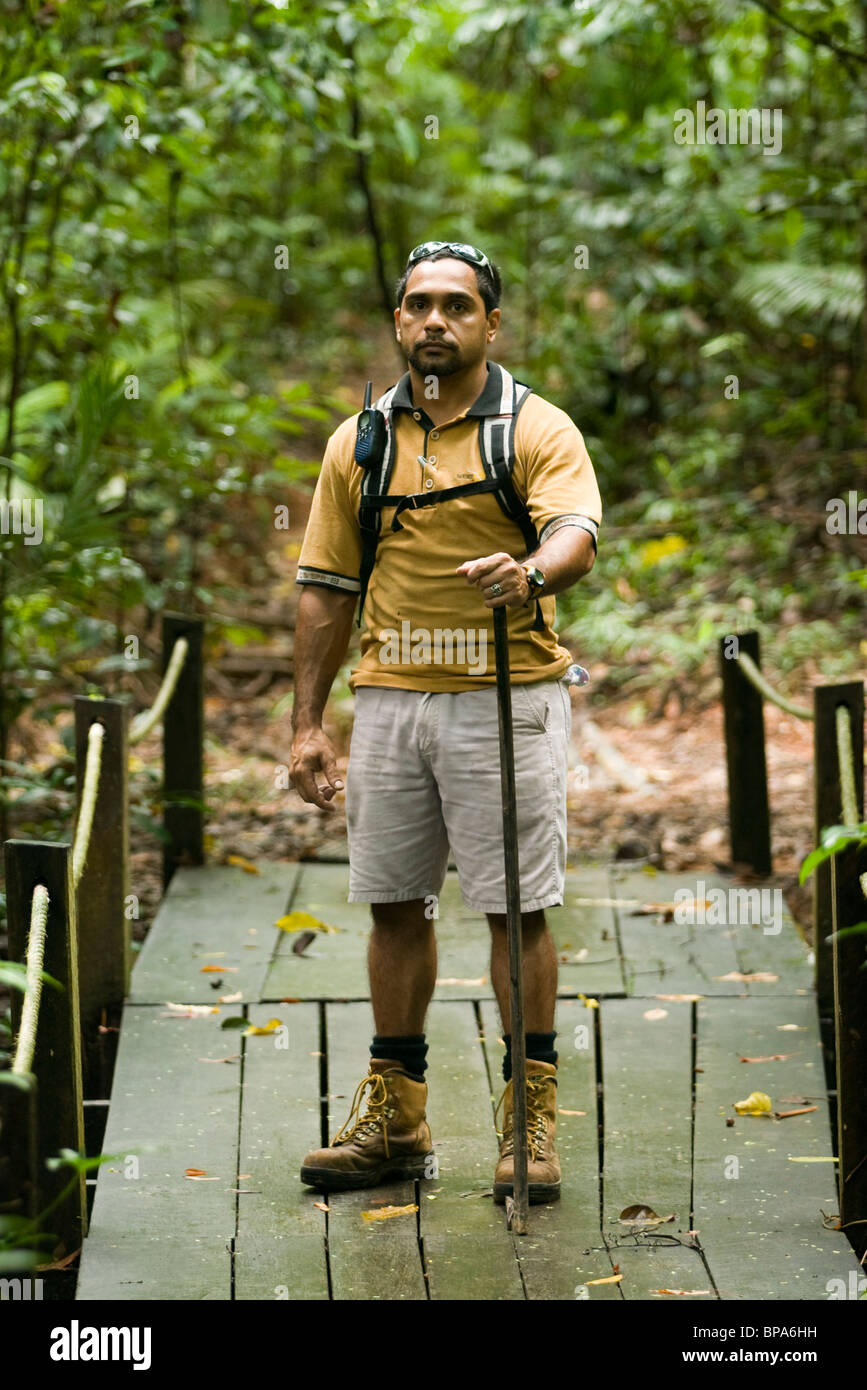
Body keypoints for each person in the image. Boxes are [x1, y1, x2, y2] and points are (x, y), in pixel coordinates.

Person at [290, 240, 602, 1203]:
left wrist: (531, 571)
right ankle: (397, 1118)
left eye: (456, 306)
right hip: (388, 698)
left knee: (514, 911)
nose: (435, 320)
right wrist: (307, 723)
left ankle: (529, 1118)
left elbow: (575, 534)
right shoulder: (361, 442)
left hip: (505, 698)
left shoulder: (532, 428)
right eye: (418, 305)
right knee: (393, 902)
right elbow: (324, 586)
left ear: (489, 325)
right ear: (397, 321)